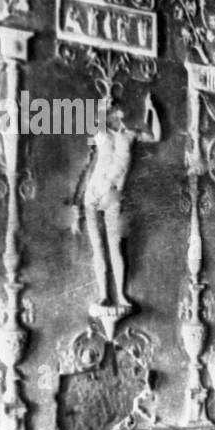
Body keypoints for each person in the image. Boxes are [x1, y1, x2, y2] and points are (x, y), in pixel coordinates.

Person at [69, 95, 161, 308]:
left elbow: (156, 135)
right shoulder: (102, 133)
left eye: (117, 112)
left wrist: (151, 108)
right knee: (98, 248)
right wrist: (102, 105)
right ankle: (103, 295)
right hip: (92, 195)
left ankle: (120, 295)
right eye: (112, 113)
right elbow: (89, 163)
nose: (116, 116)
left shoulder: (131, 135)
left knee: (115, 247)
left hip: (112, 197)